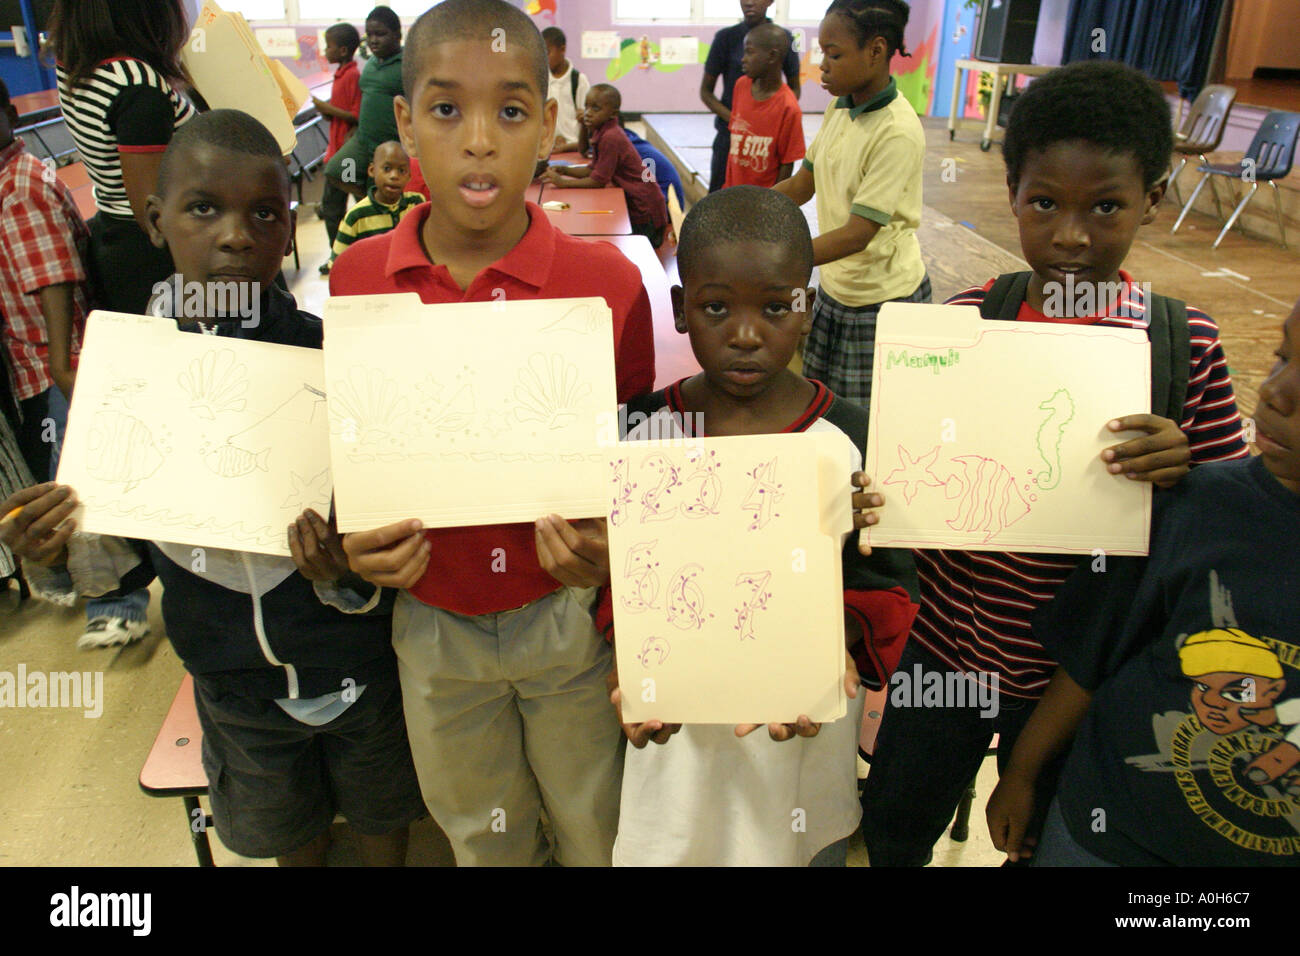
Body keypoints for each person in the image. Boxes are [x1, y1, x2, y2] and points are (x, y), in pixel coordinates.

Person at [0, 111, 426, 867]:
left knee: (381, 821)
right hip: (231, 686)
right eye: (205, 209)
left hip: (355, 666)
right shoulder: (126, 377)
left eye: (264, 214)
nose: (236, 235)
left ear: (288, 223)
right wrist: (52, 553)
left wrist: (342, 575)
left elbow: (378, 532)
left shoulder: (327, 364)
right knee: (286, 840)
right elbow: (116, 546)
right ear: (155, 221)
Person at [858, 60, 1251, 867]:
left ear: (1152, 198)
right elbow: (912, 479)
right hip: (950, 653)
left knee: (1041, 842)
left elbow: (1225, 526)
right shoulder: (965, 325)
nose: (1071, 235)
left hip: (1083, 684)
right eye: (1045, 204)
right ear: (1011, 196)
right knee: (894, 826)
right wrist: (878, 494)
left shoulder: (1184, 349)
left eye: (1105, 206)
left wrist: (1185, 473)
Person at [330, 0, 655, 867]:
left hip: (566, 619)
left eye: (510, 112)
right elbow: (355, 450)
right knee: (481, 833)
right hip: (432, 618)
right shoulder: (359, 279)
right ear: (403, 122)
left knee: (599, 826)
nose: (479, 140)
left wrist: (611, 549)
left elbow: (629, 454)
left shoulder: (606, 286)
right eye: (445, 110)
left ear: (548, 126)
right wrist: (356, 546)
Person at [602, 186, 918, 867]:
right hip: (676, 750)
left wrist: (836, 656)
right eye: (717, 307)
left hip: (799, 750)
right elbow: (620, 583)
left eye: (776, 307)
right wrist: (628, 664)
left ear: (807, 308)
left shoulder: (854, 439)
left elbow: (890, 596)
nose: (746, 334)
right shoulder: (641, 431)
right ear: (682, 310)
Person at [986, 300, 1300, 867]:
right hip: (1105, 837)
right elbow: (1089, 659)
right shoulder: (1201, 505)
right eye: (1282, 355)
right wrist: (1023, 773)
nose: (1276, 392)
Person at [46, 0, 196, 644]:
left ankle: (137, 578)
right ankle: (170, 569)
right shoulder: (136, 83)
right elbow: (153, 211)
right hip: (153, 264)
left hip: (119, 248)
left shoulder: (81, 70)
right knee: (178, 418)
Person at [774, 0, 929, 412]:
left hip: (881, 300)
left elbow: (859, 234)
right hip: (836, 289)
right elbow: (805, 183)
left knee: (865, 420)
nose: (822, 65)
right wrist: (749, 205)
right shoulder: (838, 107)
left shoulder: (896, 132)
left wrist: (779, 258)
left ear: (876, 51)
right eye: (822, 52)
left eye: (834, 53)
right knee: (823, 405)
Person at [0, 77, 87, 485]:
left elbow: (55, 279)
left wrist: (60, 366)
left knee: (65, 483)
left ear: (12, 117)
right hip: (40, 365)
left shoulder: (19, 188)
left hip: (50, 369)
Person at [543, 84, 669, 249]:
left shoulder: (611, 137)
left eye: (595, 108)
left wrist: (562, 182)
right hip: (642, 208)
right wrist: (565, 170)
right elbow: (590, 165)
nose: (588, 112)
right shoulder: (602, 131)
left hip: (646, 213)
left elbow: (598, 181)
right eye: (586, 106)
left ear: (613, 114)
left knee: (615, 243)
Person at [702, 0, 801, 193]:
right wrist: (740, 122)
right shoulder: (725, 39)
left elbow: (794, 88)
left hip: (765, 145)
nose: (748, 2)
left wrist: (769, 119)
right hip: (731, 138)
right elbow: (706, 92)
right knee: (719, 202)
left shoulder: (785, 39)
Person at [324, 7, 403, 206]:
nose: (373, 40)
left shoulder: (407, 65)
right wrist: (356, 127)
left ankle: (382, 207)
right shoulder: (371, 63)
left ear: (398, 35)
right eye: (369, 35)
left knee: (388, 185)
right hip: (362, 141)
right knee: (339, 171)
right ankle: (369, 200)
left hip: (390, 144)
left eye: (381, 34)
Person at [723, 23, 804, 189]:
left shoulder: (788, 107)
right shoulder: (741, 86)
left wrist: (771, 202)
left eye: (749, 52)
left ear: (772, 56)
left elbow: (787, 163)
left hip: (760, 202)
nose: (743, 59)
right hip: (731, 193)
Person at [312, 22, 362, 267]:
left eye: (329, 46)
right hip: (335, 152)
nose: (325, 50)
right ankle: (339, 256)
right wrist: (327, 113)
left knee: (342, 207)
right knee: (334, 209)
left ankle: (342, 257)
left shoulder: (352, 75)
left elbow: (355, 115)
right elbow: (340, 114)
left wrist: (325, 107)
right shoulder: (341, 73)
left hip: (345, 156)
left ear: (342, 50)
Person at [328, 140, 423, 266]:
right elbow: (337, 265)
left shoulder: (416, 204)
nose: (394, 176)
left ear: (409, 176)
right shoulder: (356, 216)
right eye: (387, 169)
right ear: (372, 170)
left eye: (402, 171)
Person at [542, 26, 589, 153]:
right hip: (548, 148)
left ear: (562, 49)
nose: (544, 58)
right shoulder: (541, 80)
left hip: (574, 148)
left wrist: (565, 147)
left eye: (547, 52)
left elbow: (588, 121)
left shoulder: (579, 80)